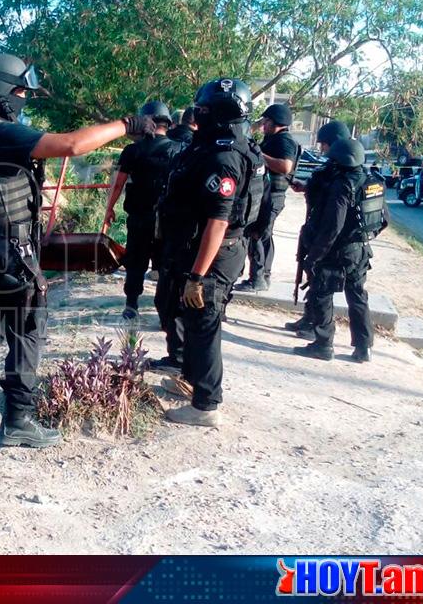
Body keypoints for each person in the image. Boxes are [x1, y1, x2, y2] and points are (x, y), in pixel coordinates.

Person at [0, 52, 155, 447]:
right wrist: (126, 125)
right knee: (27, 327)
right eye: (22, 90)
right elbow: (71, 145)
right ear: (6, 90)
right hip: (11, 248)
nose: (24, 98)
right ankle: (18, 420)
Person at [158, 78, 264, 427]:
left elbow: (217, 221)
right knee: (191, 318)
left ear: (218, 114)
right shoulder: (223, 144)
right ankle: (191, 380)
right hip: (202, 248)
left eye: (202, 111)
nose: (197, 116)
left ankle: (206, 406)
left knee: (203, 323)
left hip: (213, 254)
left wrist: (197, 277)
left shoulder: (225, 157)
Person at [292, 138, 383, 363]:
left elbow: (332, 227)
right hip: (360, 250)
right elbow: (384, 220)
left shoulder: (342, 185)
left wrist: (313, 256)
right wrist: (360, 236)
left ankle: (323, 344)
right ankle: (364, 347)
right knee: (357, 296)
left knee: (321, 292)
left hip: (337, 251)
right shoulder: (371, 181)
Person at [104, 100, 184, 320]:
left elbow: (118, 184)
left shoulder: (132, 150)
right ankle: (164, 310)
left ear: (145, 122)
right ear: (167, 123)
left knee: (136, 260)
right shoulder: (179, 150)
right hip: (167, 219)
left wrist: (109, 209)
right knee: (165, 264)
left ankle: (131, 304)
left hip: (139, 216)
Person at [283, 120, 351, 338]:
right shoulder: (332, 168)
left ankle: (316, 330)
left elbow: (334, 212)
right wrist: (305, 187)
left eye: (325, 145)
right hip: (315, 229)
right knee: (312, 278)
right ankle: (308, 319)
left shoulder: (345, 172)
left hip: (327, 237)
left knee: (320, 282)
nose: (322, 150)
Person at [235, 104, 299, 292]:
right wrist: (256, 125)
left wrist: (259, 156)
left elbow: (286, 166)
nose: (263, 125)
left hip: (272, 197)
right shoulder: (274, 138)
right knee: (264, 235)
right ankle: (263, 276)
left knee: (257, 234)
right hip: (267, 195)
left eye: (267, 121)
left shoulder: (284, 140)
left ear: (275, 122)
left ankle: (258, 279)